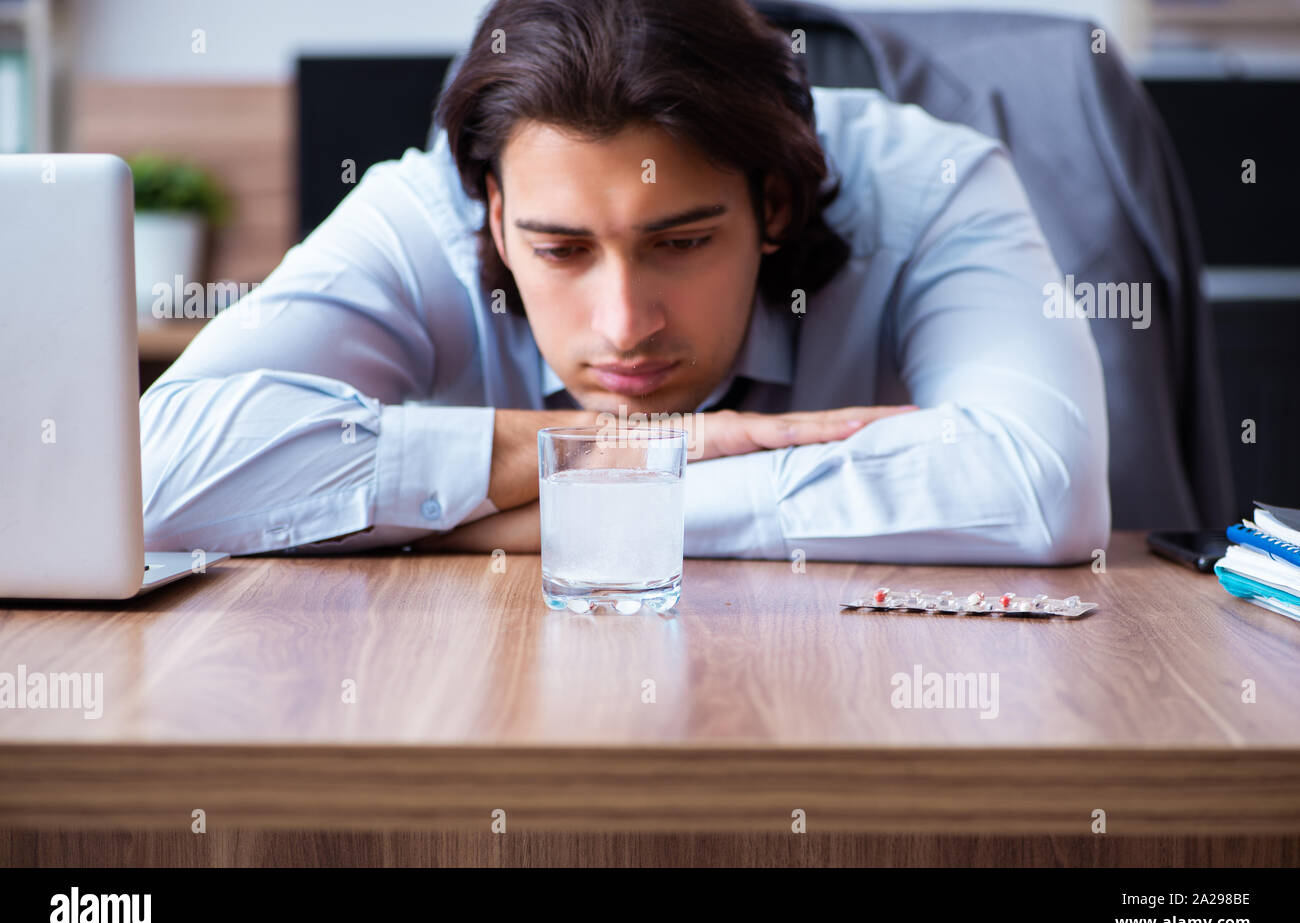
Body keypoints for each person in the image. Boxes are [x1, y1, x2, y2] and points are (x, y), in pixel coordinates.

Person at [139, 0, 1109, 564]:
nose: (624, 325)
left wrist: (510, 517)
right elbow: (151, 473)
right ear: (491, 210)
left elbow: (1043, 489)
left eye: (681, 242)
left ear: (772, 204)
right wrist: (620, 449)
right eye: (560, 250)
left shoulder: (930, 182)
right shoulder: (423, 209)